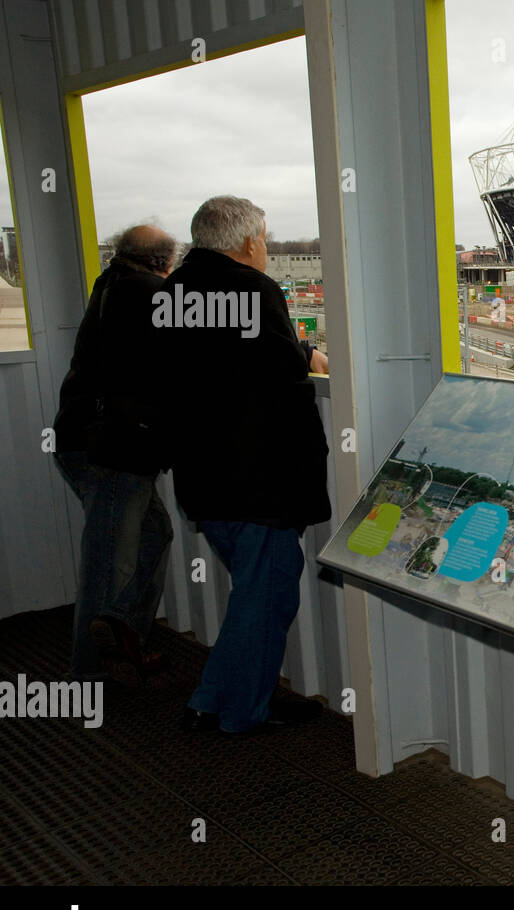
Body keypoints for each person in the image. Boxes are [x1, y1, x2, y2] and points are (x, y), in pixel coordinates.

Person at [157, 196, 330, 734]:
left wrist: (296, 353)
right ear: (251, 241)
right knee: (267, 596)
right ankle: (233, 712)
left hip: (204, 477)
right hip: (258, 482)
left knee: (254, 593)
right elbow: (276, 375)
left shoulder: (172, 293)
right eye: (264, 238)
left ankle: (224, 697)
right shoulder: (253, 289)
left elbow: (220, 357)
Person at [53, 225, 178, 678]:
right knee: (109, 564)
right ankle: (90, 672)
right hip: (113, 450)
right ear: (166, 260)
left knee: (152, 535)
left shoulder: (112, 284)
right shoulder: (147, 293)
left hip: (92, 442)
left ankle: (123, 637)